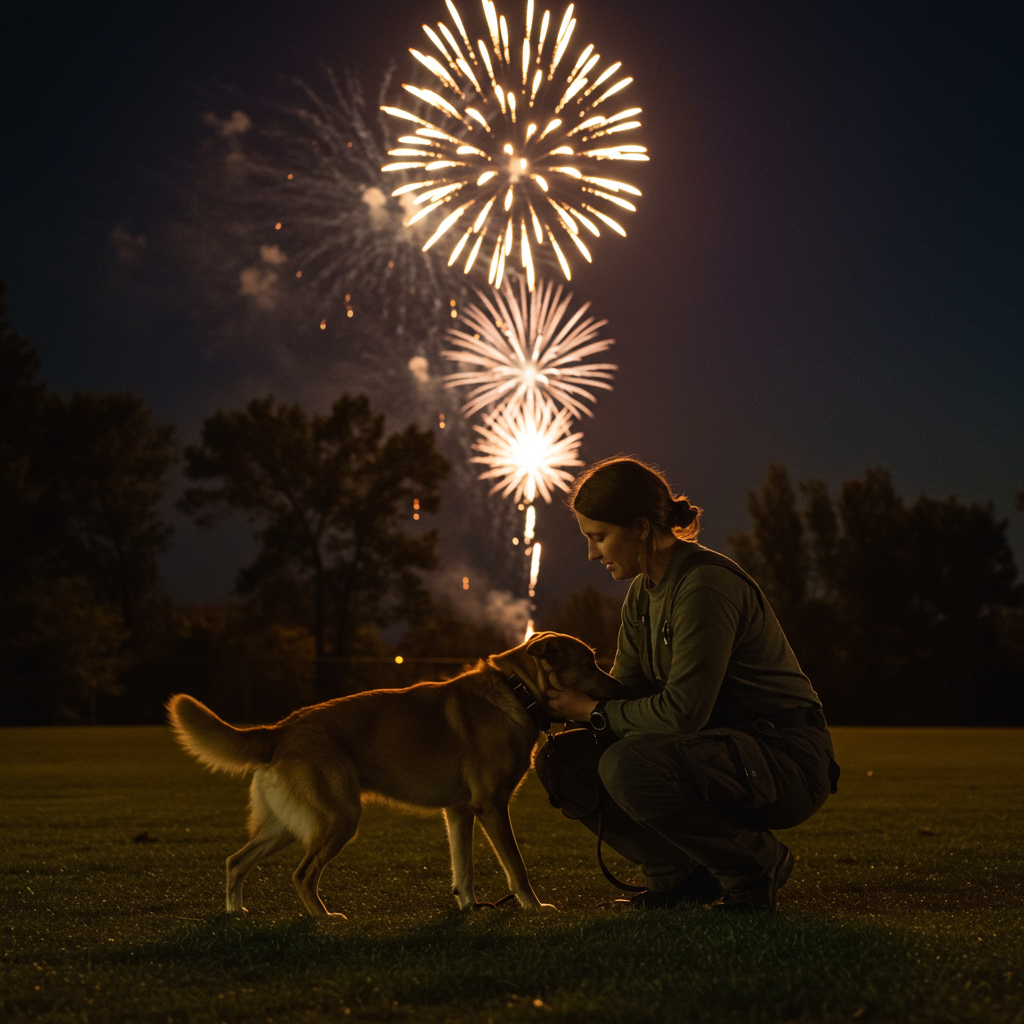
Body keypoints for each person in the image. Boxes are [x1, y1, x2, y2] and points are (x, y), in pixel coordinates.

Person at [538, 456, 839, 912]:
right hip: (717, 749)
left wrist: (592, 712)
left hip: (784, 757)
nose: (592, 554)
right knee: (561, 760)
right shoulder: (642, 594)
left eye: (598, 537)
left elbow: (682, 713)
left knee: (626, 764)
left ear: (641, 528)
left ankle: (754, 866)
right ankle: (681, 875)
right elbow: (628, 693)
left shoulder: (703, 586)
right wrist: (549, 695)